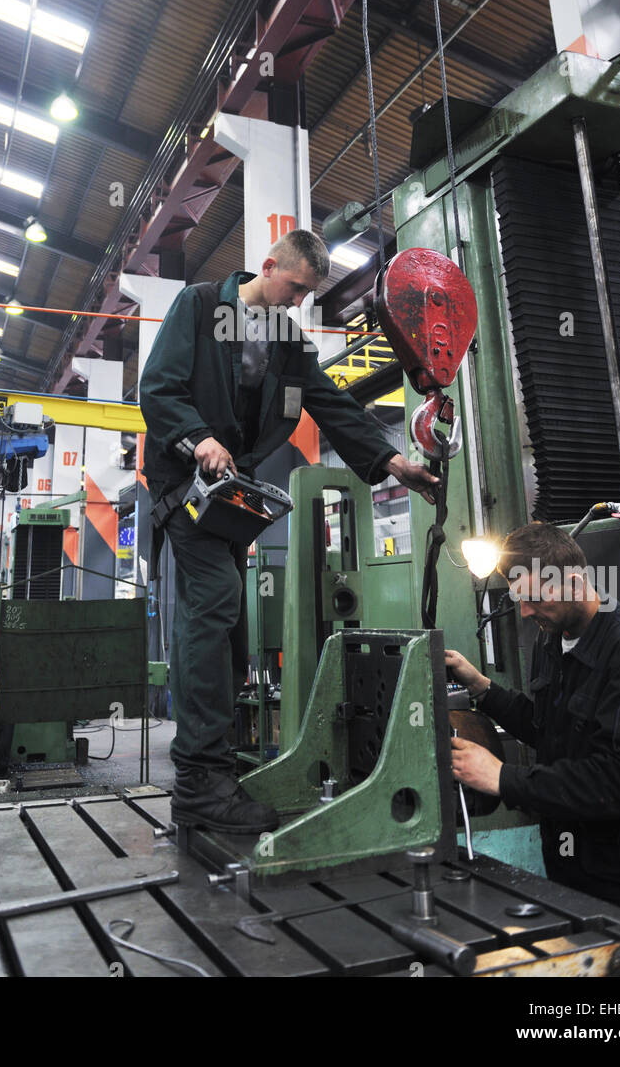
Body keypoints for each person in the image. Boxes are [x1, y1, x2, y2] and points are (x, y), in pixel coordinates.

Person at [140, 229, 439, 833]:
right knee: (216, 606)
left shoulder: (286, 342)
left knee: (232, 629)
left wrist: (389, 462)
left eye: (309, 295)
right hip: (186, 492)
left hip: (232, 502)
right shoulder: (200, 308)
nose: (298, 302)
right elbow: (159, 389)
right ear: (270, 265)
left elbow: (329, 402)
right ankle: (197, 781)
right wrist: (199, 438)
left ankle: (215, 773)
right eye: (296, 287)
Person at [447, 521, 620, 965]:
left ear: (574, 580)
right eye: (519, 598)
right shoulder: (554, 640)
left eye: (533, 597)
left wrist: (503, 778)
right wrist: (482, 688)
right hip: (580, 878)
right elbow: (551, 729)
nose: (525, 612)